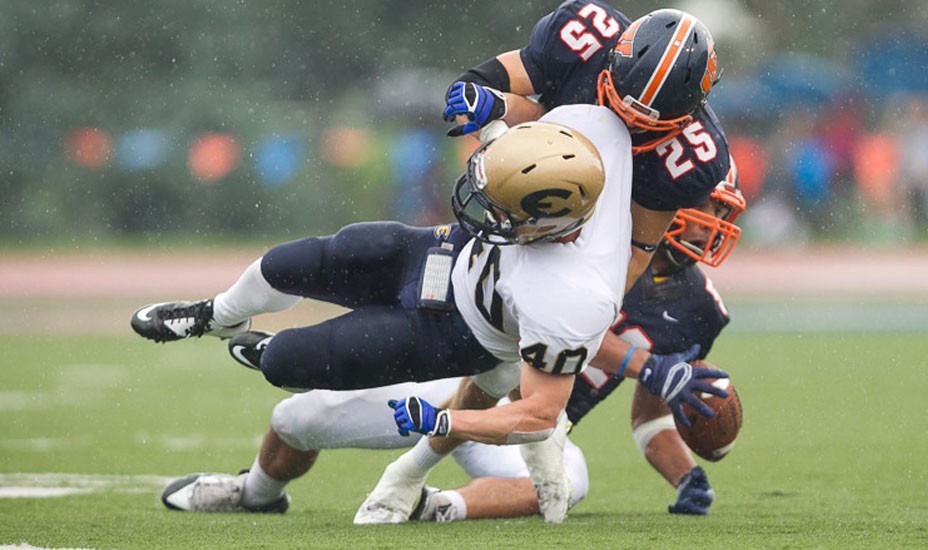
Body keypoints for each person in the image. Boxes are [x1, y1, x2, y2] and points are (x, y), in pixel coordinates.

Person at [132, 105, 728, 520]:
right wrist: (649, 365)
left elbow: (650, 419)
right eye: (699, 209)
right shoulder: (589, 242)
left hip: (518, 421)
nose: (709, 230)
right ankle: (256, 492)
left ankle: (435, 506)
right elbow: (575, 323)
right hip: (453, 360)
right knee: (296, 418)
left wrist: (685, 474)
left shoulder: (698, 306)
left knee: (571, 481)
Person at [441, 1, 730, 291]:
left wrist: (590, 310)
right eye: (617, 101)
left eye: (642, 123)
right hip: (547, 147)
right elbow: (469, 90)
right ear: (615, 57)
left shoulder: (693, 154)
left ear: (684, 118)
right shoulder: (585, 37)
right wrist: (494, 127)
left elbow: (632, 256)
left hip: (592, 232)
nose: (624, 121)